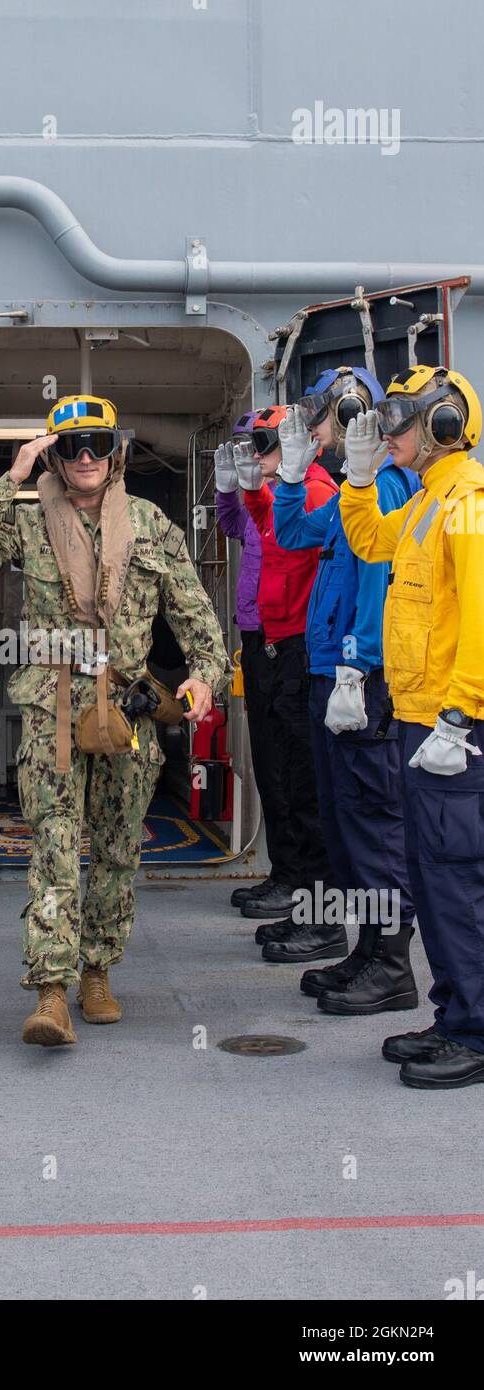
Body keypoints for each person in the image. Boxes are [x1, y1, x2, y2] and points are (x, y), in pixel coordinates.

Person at [0, 394, 229, 1047]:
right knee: (53, 847)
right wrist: (14, 475)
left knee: (118, 849)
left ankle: (98, 971)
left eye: (96, 445)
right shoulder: (26, 516)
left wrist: (202, 678)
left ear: (115, 451)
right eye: (69, 446)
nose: (84, 458)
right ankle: (51, 990)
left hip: (128, 709)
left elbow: (199, 625)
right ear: (54, 452)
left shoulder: (152, 525)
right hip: (54, 703)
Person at [340, 366, 484, 1088]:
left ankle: (477, 1033)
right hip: (421, 723)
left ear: (445, 426)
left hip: (456, 731)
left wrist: (460, 716)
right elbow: (369, 541)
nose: (390, 433)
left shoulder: (470, 505)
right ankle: (455, 1013)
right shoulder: (431, 502)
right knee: (434, 881)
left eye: (401, 422)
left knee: (458, 882)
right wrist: (359, 476)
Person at [271, 369, 420, 1012]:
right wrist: (290, 478)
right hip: (329, 671)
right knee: (343, 822)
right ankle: (366, 950)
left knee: (373, 823)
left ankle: (392, 966)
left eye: (324, 417)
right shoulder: (354, 492)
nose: (318, 430)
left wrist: (358, 666)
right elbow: (296, 535)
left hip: (358, 680)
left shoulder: (385, 488)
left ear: (355, 414)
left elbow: (376, 584)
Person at [235, 406, 338, 951]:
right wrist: (252, 491)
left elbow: (290, 537)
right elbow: (269, 528)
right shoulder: (292, 494)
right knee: (282, 776)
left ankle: (319, 916)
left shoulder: (318, 494)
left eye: (267, 443)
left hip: (300, 649)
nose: (258, 453)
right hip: (278, 646)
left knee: (306, 788)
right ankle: (298, 893)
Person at [216, 411, 298, 916]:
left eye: (260, 445)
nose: (254, 455)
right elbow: (232, 526)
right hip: (256, 634)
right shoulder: (257, 496)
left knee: (291, 767)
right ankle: (284, 872)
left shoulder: (301, 494)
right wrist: (232, 488)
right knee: (269, 763)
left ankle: (298, 881)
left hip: (284, 639)